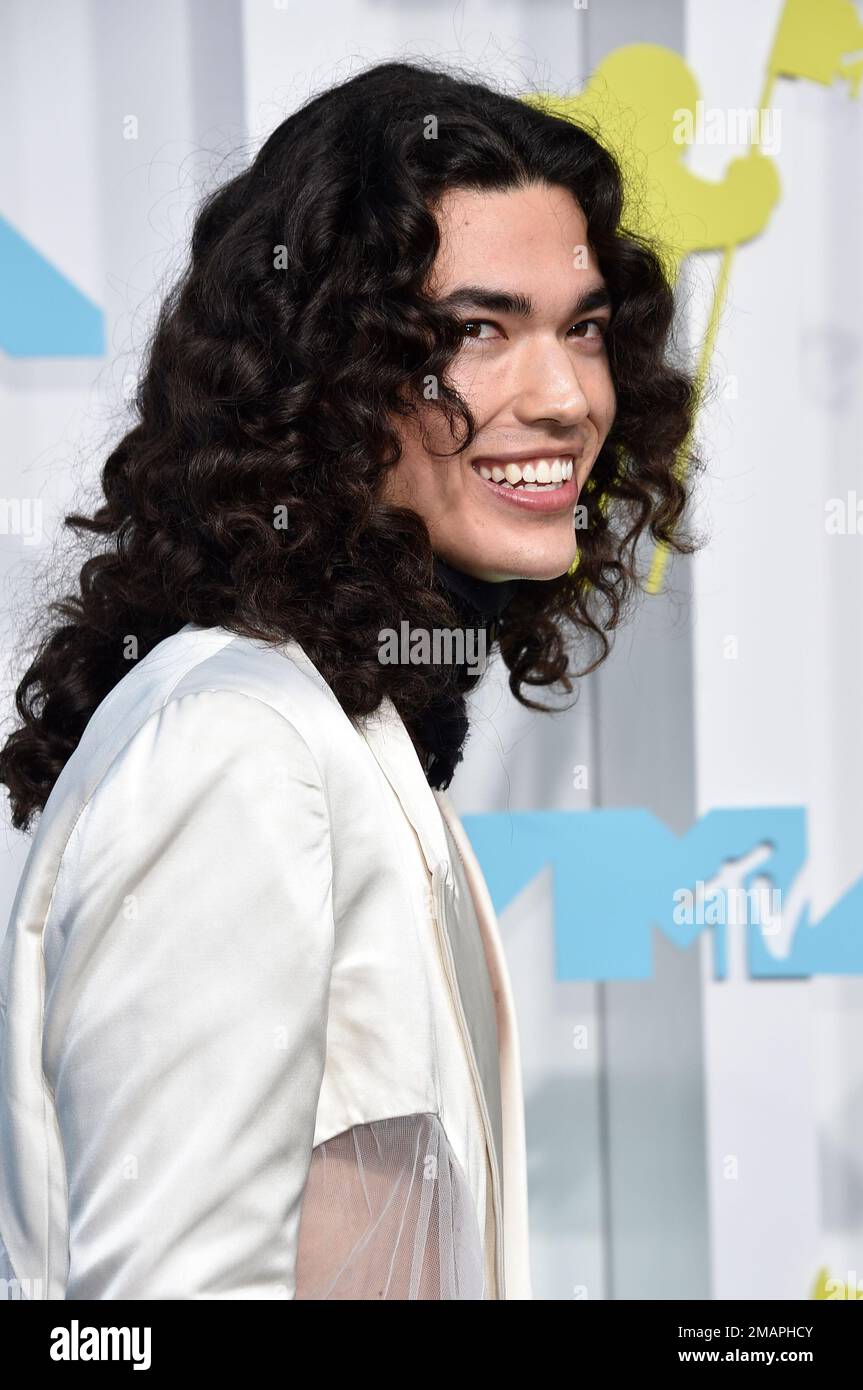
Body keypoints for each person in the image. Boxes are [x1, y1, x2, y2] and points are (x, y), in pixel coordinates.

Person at [0, 58, 700, 1300]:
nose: (564, 398)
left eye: (581, 328)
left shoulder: (348, 732)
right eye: (476, 331)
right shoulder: (238, 749)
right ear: (323, 376)